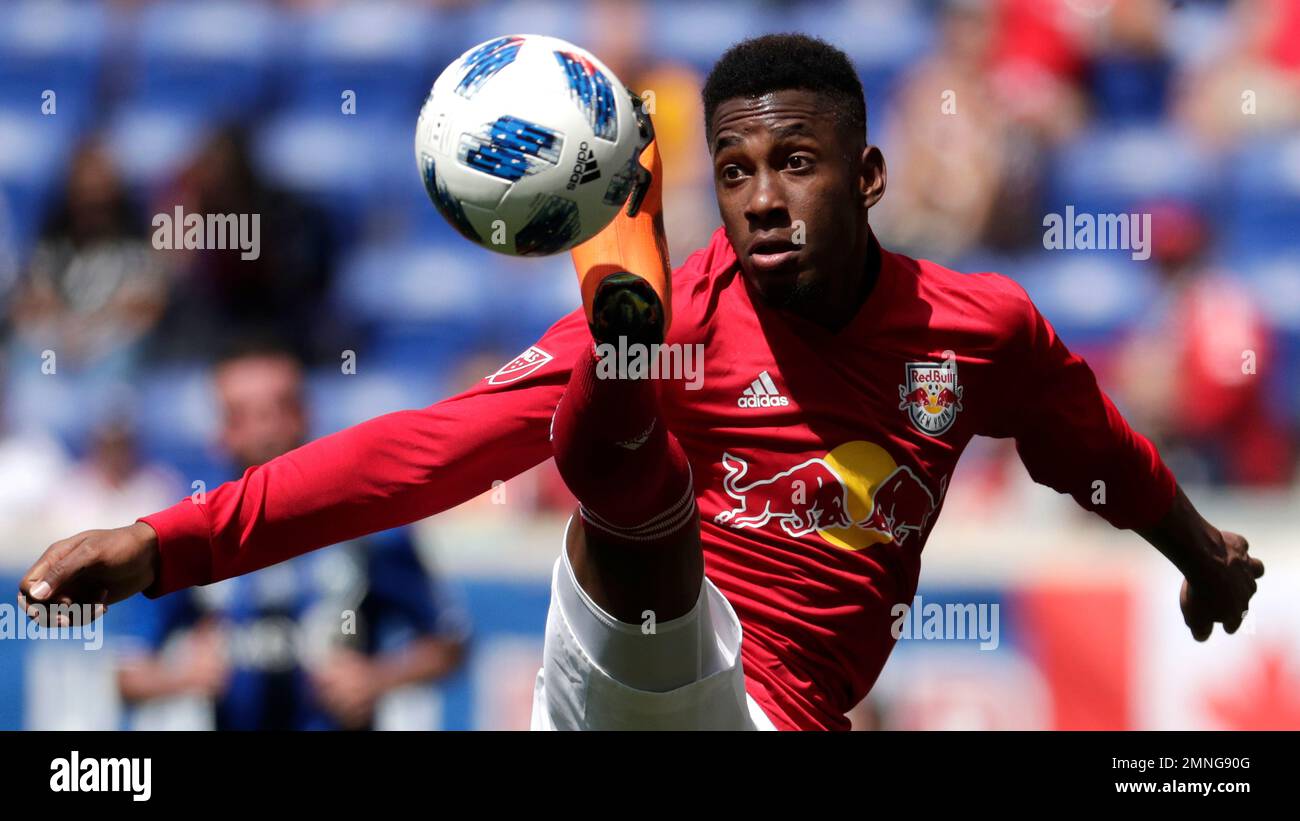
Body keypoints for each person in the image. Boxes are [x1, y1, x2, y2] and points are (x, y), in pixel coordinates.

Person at [20, 35, 1262, 731]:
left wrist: (1201, 553)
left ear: (870, 173)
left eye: (797, 164)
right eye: (733, 170)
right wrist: (168, 540)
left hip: (781, 720)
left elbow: (1096, 447)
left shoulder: (977, 329)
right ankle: (616, 309)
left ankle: (618, 340)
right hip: (629, 670)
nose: (765, 198)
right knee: (626, 466)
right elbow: (421, 452)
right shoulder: (698, 318)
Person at [113, 342, 466, 730]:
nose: (265, 428)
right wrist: (184, 676)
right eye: (244, 414)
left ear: (305, 415)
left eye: (279, 409)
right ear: (221, 430)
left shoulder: (368, 524)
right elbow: (128, 675)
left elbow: (449, 643)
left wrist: (375, 678)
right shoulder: (191, 535)